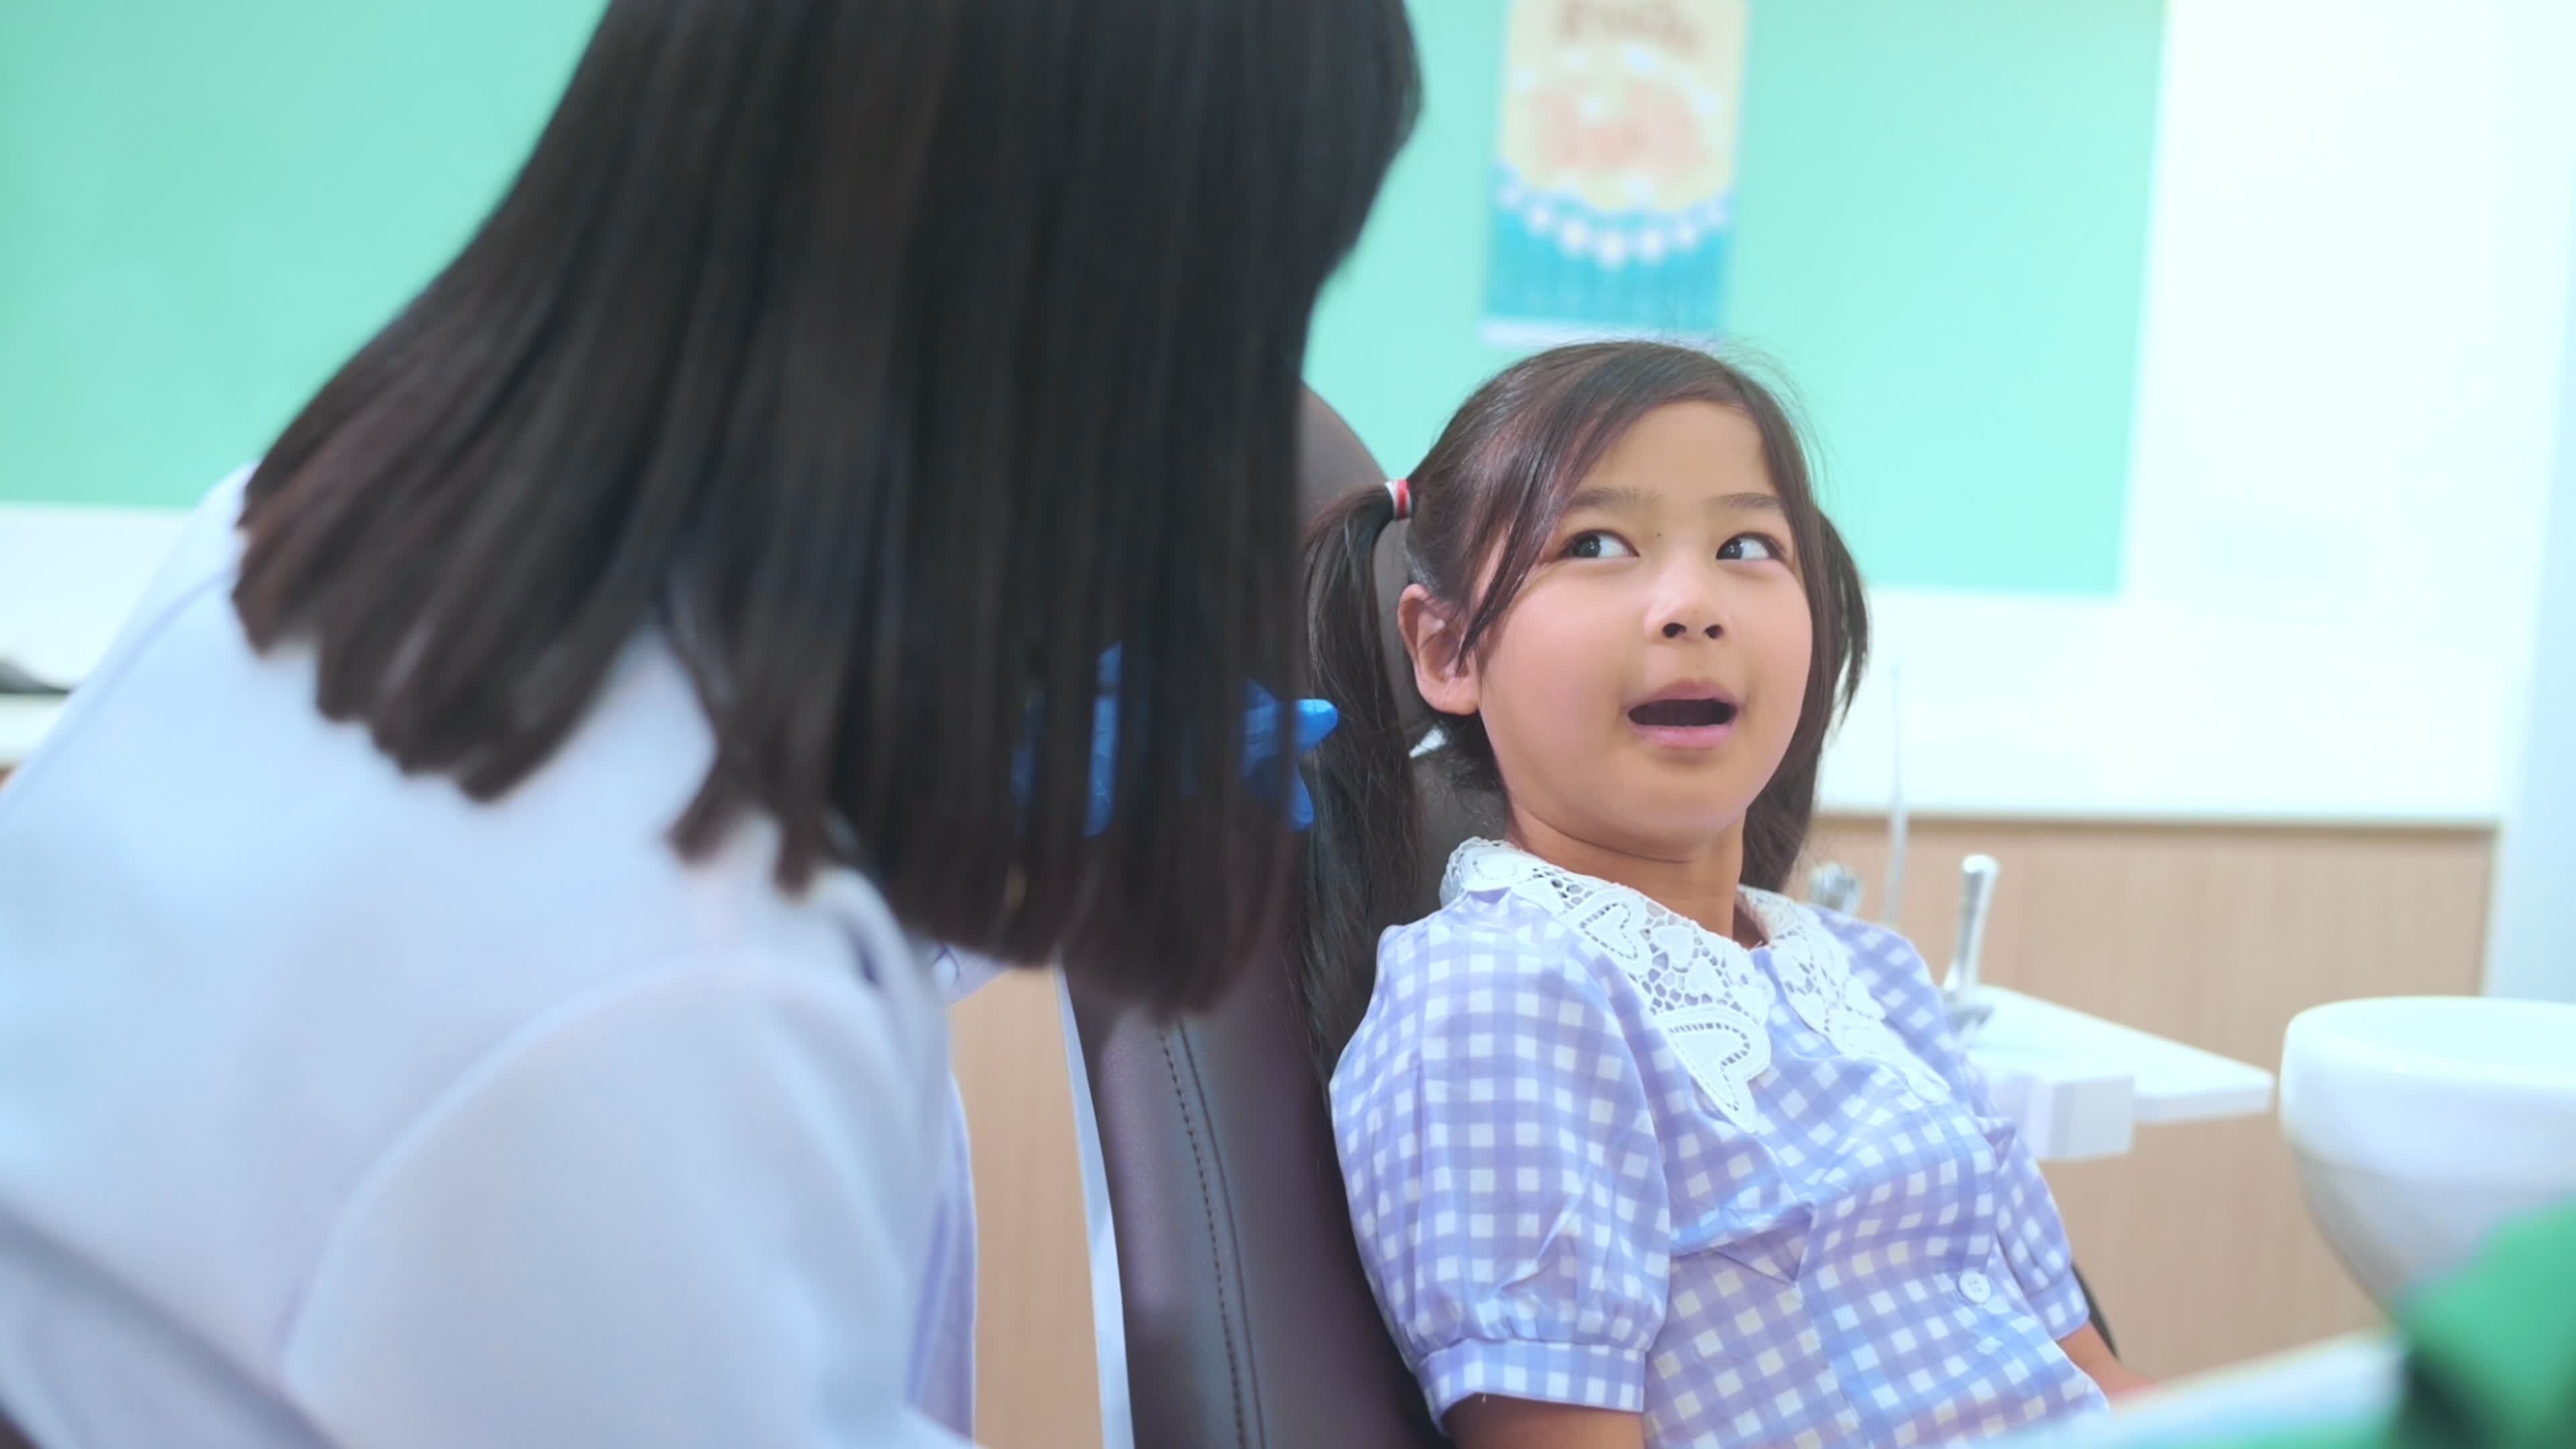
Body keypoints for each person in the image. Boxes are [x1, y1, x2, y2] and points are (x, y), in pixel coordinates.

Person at [0, 1, 1416, 1444]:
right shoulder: (681, 984)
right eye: (1246, 316)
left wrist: (911, 854)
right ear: (1060, 332)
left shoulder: (282, 547)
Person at [1297, 341, 2149, 1449]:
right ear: (1449, 647)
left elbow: (2091, 1375)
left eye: (1748, 545)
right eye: (1595, 543)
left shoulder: (1872, 975)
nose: (1691, 604)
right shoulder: (1501, 996)